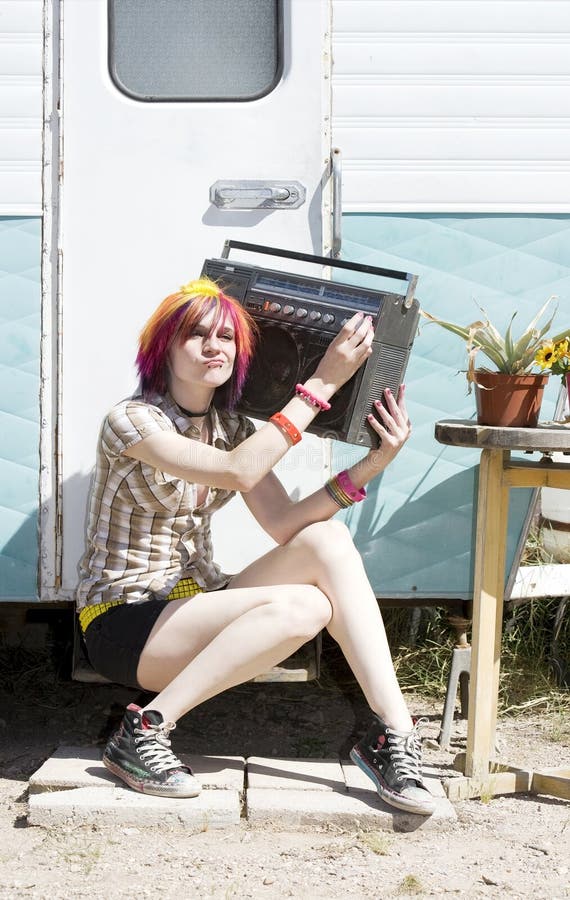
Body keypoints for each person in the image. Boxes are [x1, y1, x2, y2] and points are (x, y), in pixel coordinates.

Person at [76, 277, 435, 817]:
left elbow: (286, 524)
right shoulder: (130, 421)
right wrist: (322, 383)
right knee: (304, 604)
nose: (213, 347)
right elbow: (237, 471)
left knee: (327, 542)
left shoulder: (231, 426)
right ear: (164, 348)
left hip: (194, 602)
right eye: (196, 335)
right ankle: (145, 731)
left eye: (226, 337)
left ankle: (393, 737)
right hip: (122, 620)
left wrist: (371, 465)